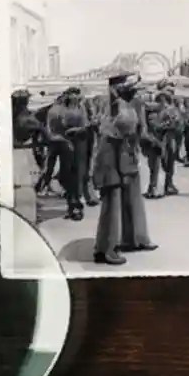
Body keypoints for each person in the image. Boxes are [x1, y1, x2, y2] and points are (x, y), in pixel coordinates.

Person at [91, 73, 157, 265]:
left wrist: (147, 142)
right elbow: (111, 133)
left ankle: (135, 238)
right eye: (131, 88)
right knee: (113, 200)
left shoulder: (132, 104)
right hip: (111, 155)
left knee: (132, 196)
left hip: (127, 154)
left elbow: (138, 131)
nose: (135, 91)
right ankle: (105, 249)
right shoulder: (113, 106)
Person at [50, 87, 95, 219]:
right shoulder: (61, 109)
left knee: (78, 174)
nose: (74, 97)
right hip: (66, 142)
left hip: (80, 142)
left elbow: (86, 124)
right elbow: (55, 127)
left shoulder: (81, 108)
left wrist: (78, 129)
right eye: (72, 94)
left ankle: (76, 205)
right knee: (66, 173)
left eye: (76, 94)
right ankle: (72, 203)